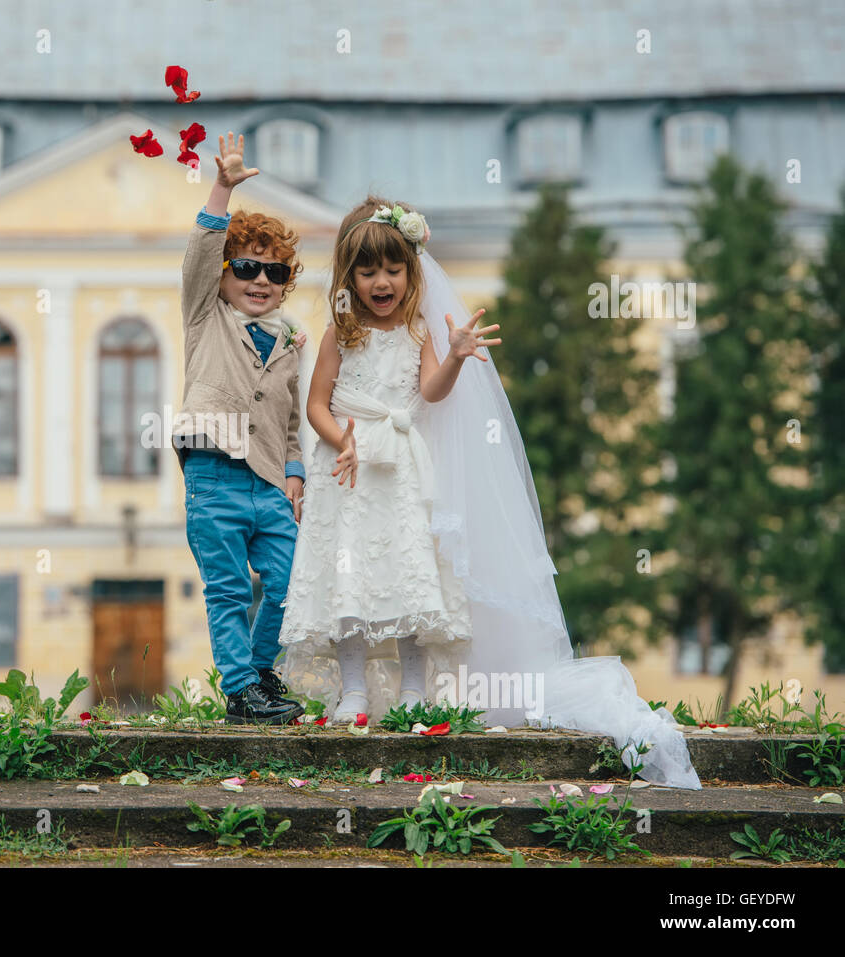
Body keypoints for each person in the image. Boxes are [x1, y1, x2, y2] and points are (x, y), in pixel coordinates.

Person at [278, 196, 701, 789]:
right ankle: (352, 690)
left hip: (402, 471)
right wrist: (339, 438)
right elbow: (316, 404)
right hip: (348, 473)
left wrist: (453, 357)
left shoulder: (419, 331)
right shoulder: (337, 338)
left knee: (409, 575)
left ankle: (415, 689)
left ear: (411, 272)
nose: (382, 282)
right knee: (350, 580)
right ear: (348, 279)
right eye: (368, 271)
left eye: (394, 270)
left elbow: (432, 392)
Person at [173, 132, 309, 724]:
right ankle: (240, 691)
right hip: (214, 474)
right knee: (228, 590)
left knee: (288, 584)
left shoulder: (289, 342)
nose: (260, 280)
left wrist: (296, 473)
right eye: (247, 267)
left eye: (274, 272)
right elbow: (201, 253)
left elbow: (292, 420)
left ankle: (259, 672)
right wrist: (222, 189)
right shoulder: (206, 316)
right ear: (224, 274)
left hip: (270, 485)